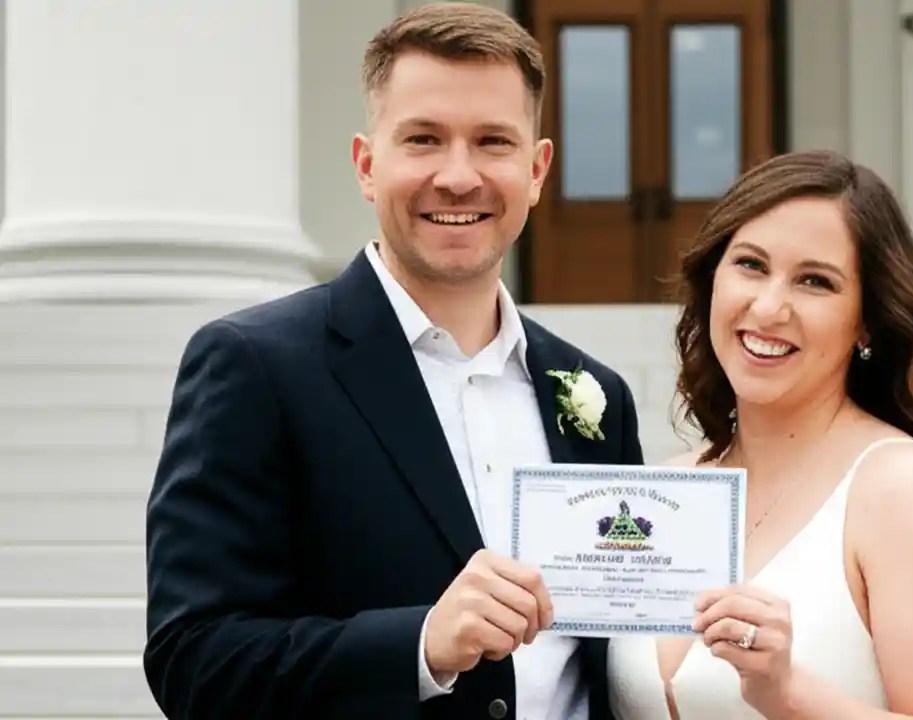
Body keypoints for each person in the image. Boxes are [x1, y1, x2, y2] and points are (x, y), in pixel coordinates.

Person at [143, 4, 642, 718]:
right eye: (424, 139)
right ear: (367, 164)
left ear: (536, 171)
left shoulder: (598, 395)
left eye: (493, 142)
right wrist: (420, 646)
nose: (458, 175)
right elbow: (195, 662)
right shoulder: (254, 367)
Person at [606, 151, 913, 719]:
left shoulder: (904, 491)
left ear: (866, 318)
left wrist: (788, 692)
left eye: (814, 281)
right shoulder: (671, 488)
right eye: (750, 265)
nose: (769, 307)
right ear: (713, 279)